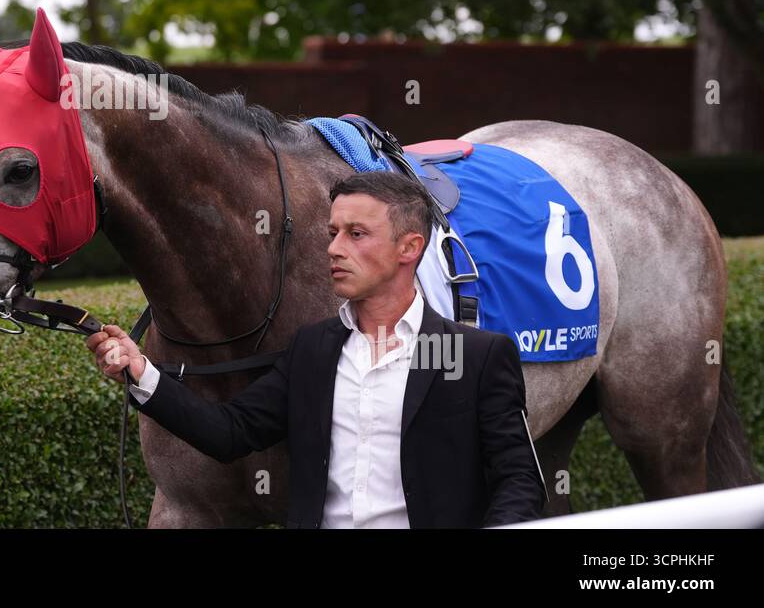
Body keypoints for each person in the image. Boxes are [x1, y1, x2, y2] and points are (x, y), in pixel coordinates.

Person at [88, 170, 546, 528]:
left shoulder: (477, 356)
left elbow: (520, 481)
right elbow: (229, 432)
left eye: (356, 234)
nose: (334, 248)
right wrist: (141, 371)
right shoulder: (312, 349)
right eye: (333, 232)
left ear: (410, 247)